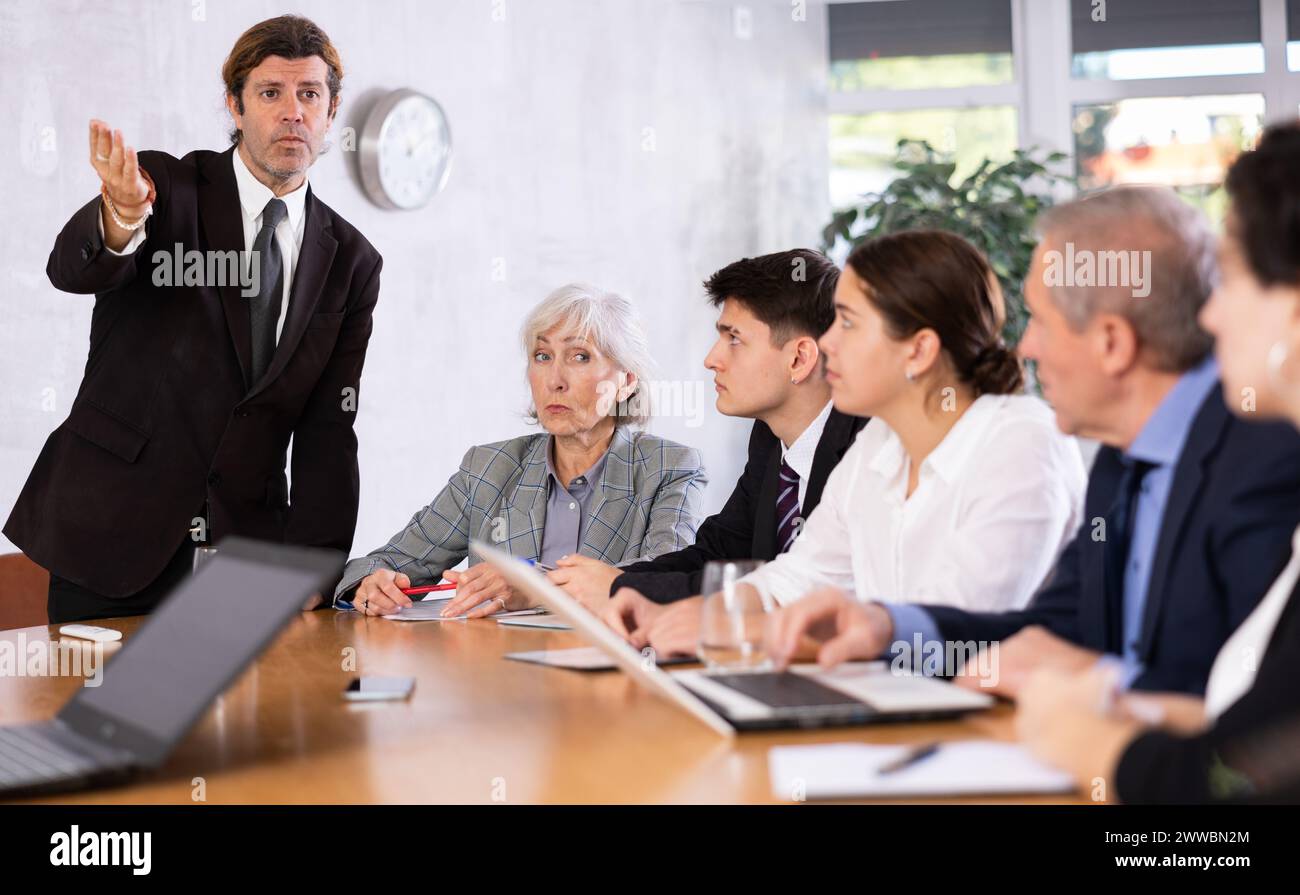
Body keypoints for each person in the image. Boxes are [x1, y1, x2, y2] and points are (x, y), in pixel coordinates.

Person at [763, 185, 1300, 700]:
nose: (1025, 347)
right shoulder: (1124, 459)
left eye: (1041, 322)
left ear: (1112, 344)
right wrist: (889, 627)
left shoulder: (1264, 462)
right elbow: (1057, 629)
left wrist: (1104, 691)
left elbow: (1255, 705)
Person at [5, 15, 382, 623]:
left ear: (331, 111)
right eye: (270, 93)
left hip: (243, 560)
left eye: (310, 94)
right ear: (235, 105)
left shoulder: (352, 261)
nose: (293, 112)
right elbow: (70, 269)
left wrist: (315, 568)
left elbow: (329, 431)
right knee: (91, 691)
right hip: (109, 537)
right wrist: (122, 218)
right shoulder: (167, 189)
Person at [603, 230, 1086, 656]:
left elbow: (955, 630)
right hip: (895, 704)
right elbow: (800, 575)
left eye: (848, 323)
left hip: (985, 720)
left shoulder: (1022, 442)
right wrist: (688, 614)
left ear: (919, 349)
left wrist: (738, 629)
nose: (827, 344)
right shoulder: (879, 443)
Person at [1016, 121, 1300, 803]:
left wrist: (1096, 741)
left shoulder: (1264, 459)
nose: (1211, 317)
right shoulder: (1120, 460)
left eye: (1233, 279)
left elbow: (1244, 792)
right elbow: (1266, 735)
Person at [335, 283, 708, 618]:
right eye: (542, 356)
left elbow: (667, 580)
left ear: (626, 382)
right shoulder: (488, 468)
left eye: (580, 356)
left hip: (610, 668)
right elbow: (387, 562)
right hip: (496, 667)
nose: (554, 380)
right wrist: (373, 584)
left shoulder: (670, 467)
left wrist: (536, 587)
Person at [548, 249, 866, 606]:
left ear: (799, 358)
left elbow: (806, 591)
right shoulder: (769, 439)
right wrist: (588, 582)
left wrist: (619, 588)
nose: (711, 359)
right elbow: (717, 555)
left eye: (734, 339)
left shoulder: (868, 447)